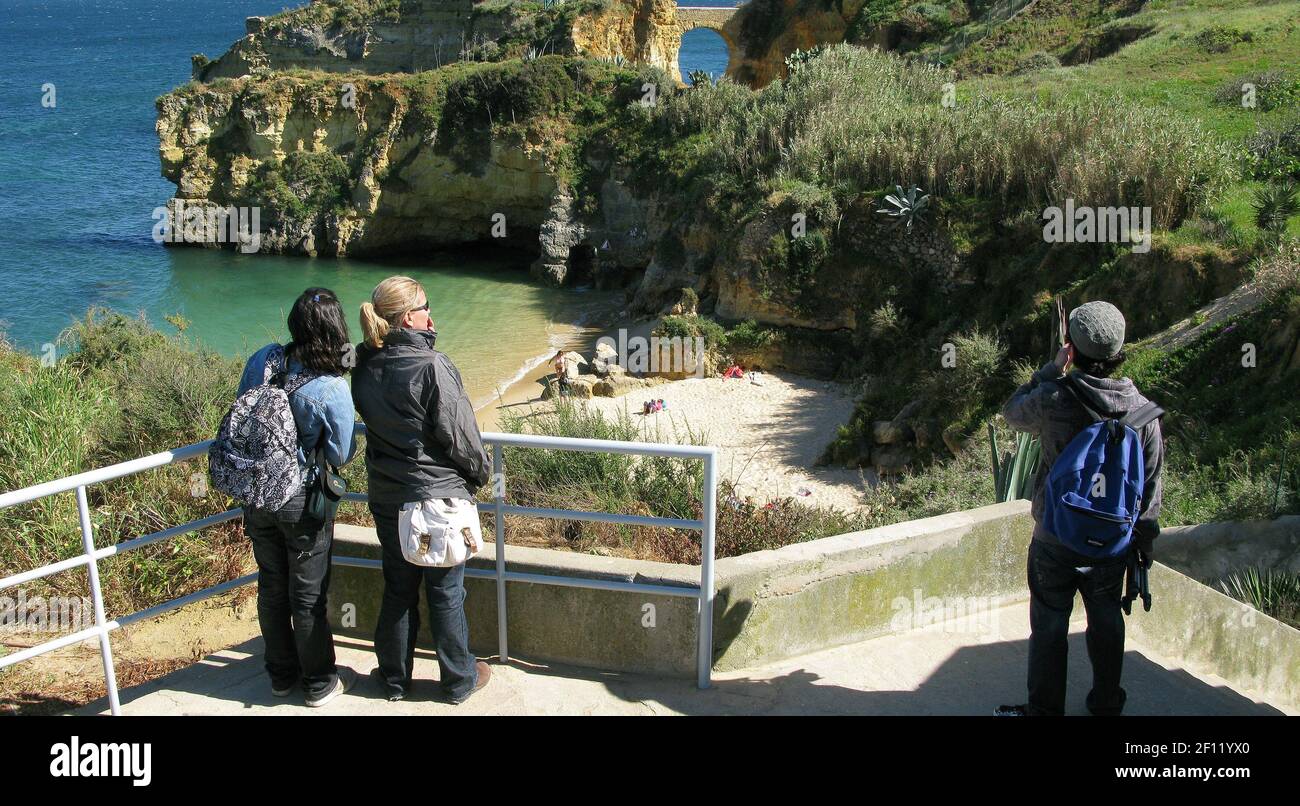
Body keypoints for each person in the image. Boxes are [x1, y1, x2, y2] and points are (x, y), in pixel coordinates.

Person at [997, 301, 1164, 716]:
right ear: (1119, 350)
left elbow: (1011, 413)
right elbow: (1149, 488)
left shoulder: (1054, 397)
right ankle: (1106, 704)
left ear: (1071, 347)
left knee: (1050, 623)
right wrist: (1143, 543)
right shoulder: (1144, 413)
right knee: (1106, 617)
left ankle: (1044, 710)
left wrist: (1051, 371)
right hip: (1111, 542)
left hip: (1055, 536)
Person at [351, 275, 493, 703]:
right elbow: (461, 436)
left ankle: (393, 679)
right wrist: (481, 474)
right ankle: (459, 680)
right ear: (408, 317)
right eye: (426, 307)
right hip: (436, 498)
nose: (432, 315)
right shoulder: (432, 365)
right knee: (445, 591)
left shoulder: (363, 364)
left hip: (387, 496)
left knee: (398, 589)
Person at [237, 288, 358, 707]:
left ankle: (281, 676)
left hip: (257, 494)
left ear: (294, 324)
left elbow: (242, 410)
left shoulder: (263, 359)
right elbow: (341, 454)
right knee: (307, 596)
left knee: (271, 588)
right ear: (336, 329)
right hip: (300, 502)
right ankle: (320, 683)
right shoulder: (330, 387)